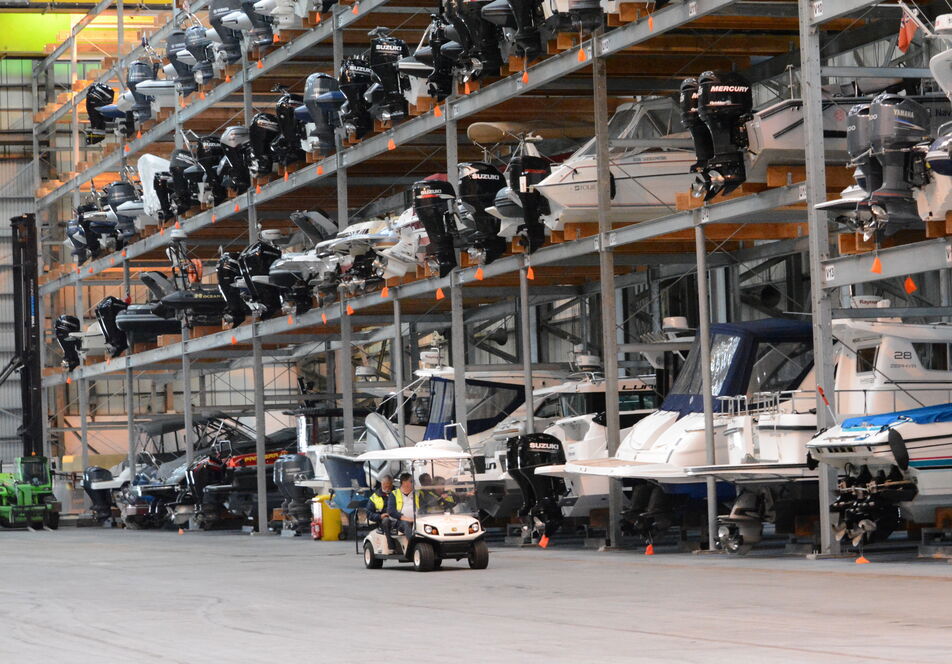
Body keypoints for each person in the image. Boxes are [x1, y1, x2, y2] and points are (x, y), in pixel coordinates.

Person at [387, 472, 418, 544]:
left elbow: (424, 507)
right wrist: (406, 518)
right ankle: (413, 546)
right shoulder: (394, 494)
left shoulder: (417, 493)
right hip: (399, 521)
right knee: (405, 524)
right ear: (404, 483)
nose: (413, 484)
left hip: (417, 519)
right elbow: (391, 511)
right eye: (411, 482)